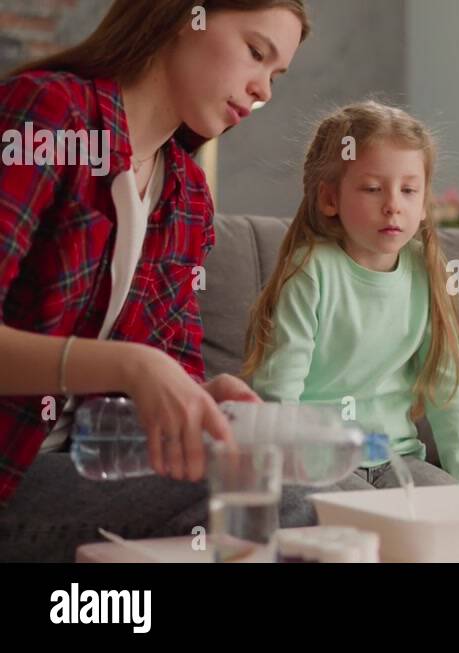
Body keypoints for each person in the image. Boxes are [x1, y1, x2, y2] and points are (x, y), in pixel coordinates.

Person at [0, 0, 310, 562]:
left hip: (87, 458)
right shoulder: (50, 114)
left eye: (275, 74)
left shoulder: (186, 193)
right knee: (286, 506)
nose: (264, 90)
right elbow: (138, 366)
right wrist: (130, 367)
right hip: (12, 470)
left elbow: (172, 361)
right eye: (256, 53)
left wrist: (204, 397)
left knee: (341, 494)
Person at [243, 100, 459, 489]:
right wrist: (278, 481)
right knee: (367, 521)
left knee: (450, 515)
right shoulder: (311, 271)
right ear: (330, 199)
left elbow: (449, 391)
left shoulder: (427, 271)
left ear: (424, 204)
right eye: (373, 188)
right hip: (320, 463)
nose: (393, 205)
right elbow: (280, 389)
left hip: (397, 457)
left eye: (408, 190)